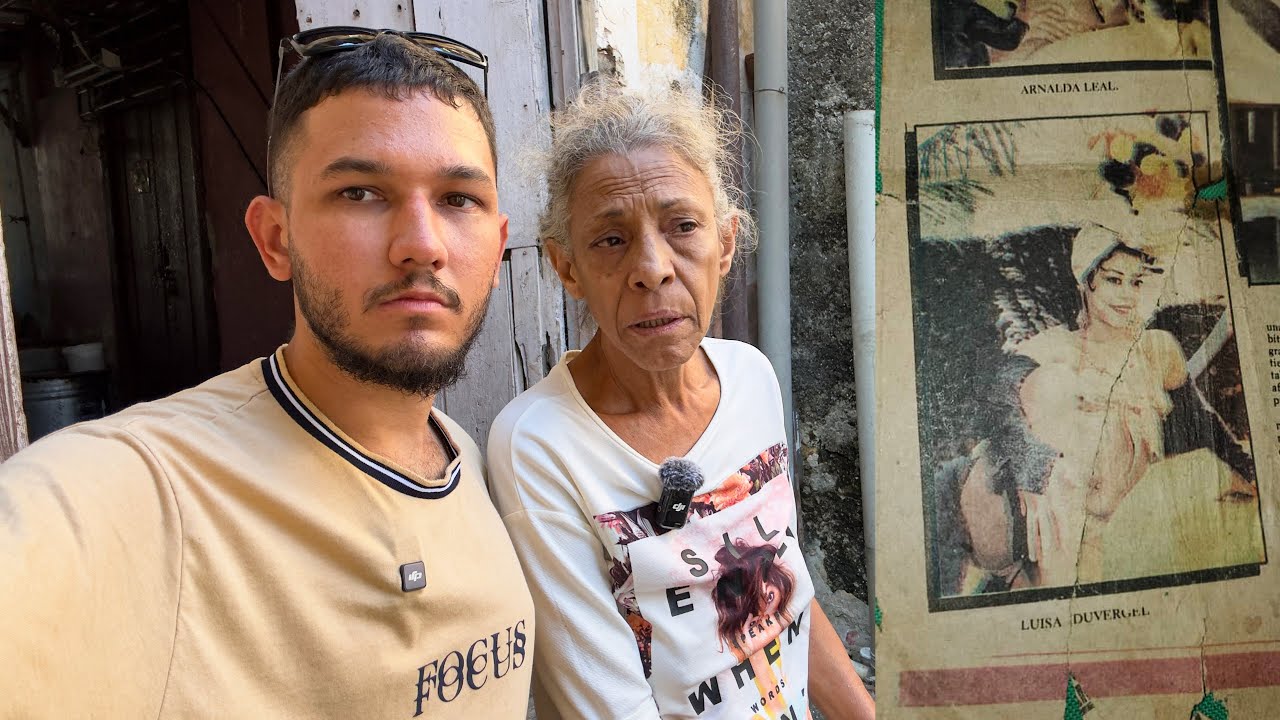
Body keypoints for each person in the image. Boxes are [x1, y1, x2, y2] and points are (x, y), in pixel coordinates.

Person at [0, 30, 533, 718]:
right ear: (275, 240)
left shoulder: (465, 455)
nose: (422, 245)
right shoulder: (150, 489)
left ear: (496, 246)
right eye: (361, 193)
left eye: (459, 199)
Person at [486, 82, 875, 720]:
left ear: (725, 244)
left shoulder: (751, 379)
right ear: (567, 267)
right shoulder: (538, 445)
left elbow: (788, 607)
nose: (653, 268)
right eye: (610, 240)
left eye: (683, 227)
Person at [957, 224, 1256, 590]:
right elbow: (996, 397)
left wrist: (1249, 469)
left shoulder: (1156, 349)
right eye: (1114, 280)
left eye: (1136, 282)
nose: (1127, 296)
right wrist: (1031, 470)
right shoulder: (1057, 347)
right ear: (1088, 282)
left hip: (1127, 520)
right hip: (1051, 520)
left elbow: (1201, 420)